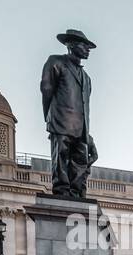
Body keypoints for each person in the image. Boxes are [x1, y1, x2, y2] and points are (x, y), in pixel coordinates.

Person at [41, 29, 98, 198]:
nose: (88, 49)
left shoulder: (87, 78)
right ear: (71, 45)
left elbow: (85, 108)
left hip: (81, 130)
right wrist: (50, 118)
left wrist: (88, 136)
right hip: (61, 121)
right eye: (84, 45)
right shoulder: (56, 62)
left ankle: (76, 193)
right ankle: (61, 191)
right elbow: (46, 89)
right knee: (61, 158)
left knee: (80, 162)